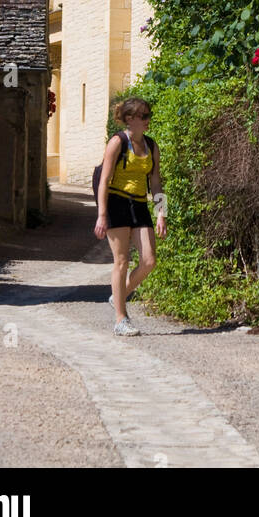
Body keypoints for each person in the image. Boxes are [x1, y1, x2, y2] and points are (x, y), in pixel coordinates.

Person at [95, 97, 166, 337]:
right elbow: (104, 180)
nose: (148, 121)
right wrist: (101, 215)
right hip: (115, 202)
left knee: (149, 260)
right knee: (122, 261)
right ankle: (121, 319)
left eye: (148, 115)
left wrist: (161, 213)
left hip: (138, 204)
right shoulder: (117, 142)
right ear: (130, 119)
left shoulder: (151, 145)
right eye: (143, 116)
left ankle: (118, 297)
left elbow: (155, 182)